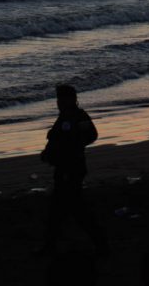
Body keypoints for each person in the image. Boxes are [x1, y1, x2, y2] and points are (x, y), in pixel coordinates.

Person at [40, 84, 107, 255]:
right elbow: (55, 139)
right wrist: (48, 152)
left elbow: (92, 135)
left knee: (73, 209)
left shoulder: (78, 116)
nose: (58, 102)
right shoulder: (63, 117)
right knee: (64, 209)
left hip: (72, 168)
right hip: (63, 168)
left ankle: (100, 243)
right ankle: (50, 245)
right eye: (58, 98)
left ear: (71, 99)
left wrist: (74, 144)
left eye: (61, 98)